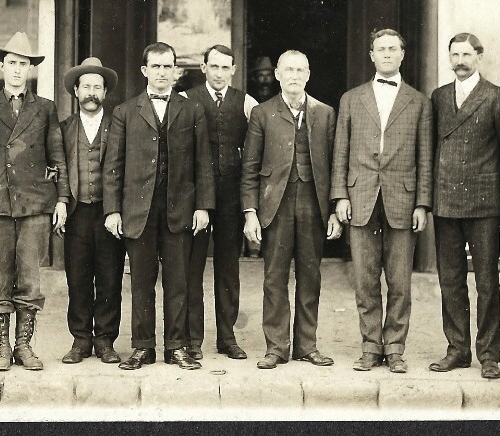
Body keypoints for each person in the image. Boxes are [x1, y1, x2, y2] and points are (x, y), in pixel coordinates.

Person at [103, 42, 215, 370]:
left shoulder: (191, 109)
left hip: (179, 209)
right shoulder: (125, 112)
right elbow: (114, 165)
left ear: (176, 71)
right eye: (156, 67)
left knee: (178, 282)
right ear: (144, 71)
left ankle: (176, 346)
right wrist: (112, 210)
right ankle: (142, 347)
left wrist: (203, 207)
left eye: (168, 67)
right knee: (141, 282)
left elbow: (202, 163)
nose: (162, 73)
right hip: (139, 211)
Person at [331, 28, 433, 374]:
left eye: (393, 49)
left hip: (402, 200)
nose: (387, 54)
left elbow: (424, 156)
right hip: (360, 197)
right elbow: (340, 152)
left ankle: (396, 348)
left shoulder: (419, 101)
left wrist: (422, 202)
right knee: (365, 279)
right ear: (371, 55)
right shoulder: (351, 98)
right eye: (380, 49)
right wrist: (339, 196)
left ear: (402, 54)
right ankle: (370, 346)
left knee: (400, 281)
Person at [0, 31, 68, 372]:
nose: (16, 70)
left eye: (23, 64)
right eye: (11, 63)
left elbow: (58, 156)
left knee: (30, 278)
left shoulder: (46, 109)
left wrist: (62, 199)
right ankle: (1, 347)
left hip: (36, 204)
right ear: (1, 67)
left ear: (30, 69)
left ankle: (24, 346)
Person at [429, 32, 500, 380]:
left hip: (484, 204)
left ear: (480, 57)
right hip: (446, 203)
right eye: (454, 54)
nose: (460, 60)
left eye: (467, 54)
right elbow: (430, 150)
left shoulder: (498, 97)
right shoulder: (439, 97)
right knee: (450, 280)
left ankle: (489, 353)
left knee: (486, 281)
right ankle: (457, 349)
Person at [241, 50, 339, 368]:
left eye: (300, 70)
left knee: (311, 276)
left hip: (313, 203)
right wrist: (251, 212)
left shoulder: (325, 113)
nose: (294, 76)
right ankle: (276, 347)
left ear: (308, 75)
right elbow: (250, 167)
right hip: (276, 204)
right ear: (278, 75)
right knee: (274, 277)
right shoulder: (262, 114)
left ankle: (306, 345)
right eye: (288, 70)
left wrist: (336, 209)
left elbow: (336, 166)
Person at [180, 44, 258, 360]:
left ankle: (227, 337)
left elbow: (258, 145)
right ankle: (193, 338)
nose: (220, 73)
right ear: (204, 67)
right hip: (196, 197)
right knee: (193, 267)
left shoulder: (246, 102)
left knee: (228, 268)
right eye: (214, 66)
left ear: (233, 70)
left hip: (230, 197)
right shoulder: (186, 100)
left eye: (226, 68)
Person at [58, 56, 124, 365]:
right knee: (78, 278)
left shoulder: (118, 126)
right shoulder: (64, 129)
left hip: (110, 213)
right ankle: (81, 339)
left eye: (97, 87)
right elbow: (57, 170)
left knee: (110, 278)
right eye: (86, 86)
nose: (91, 93)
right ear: (75, 91)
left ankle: (106, 340)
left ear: (105, 93)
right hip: (77, 213)